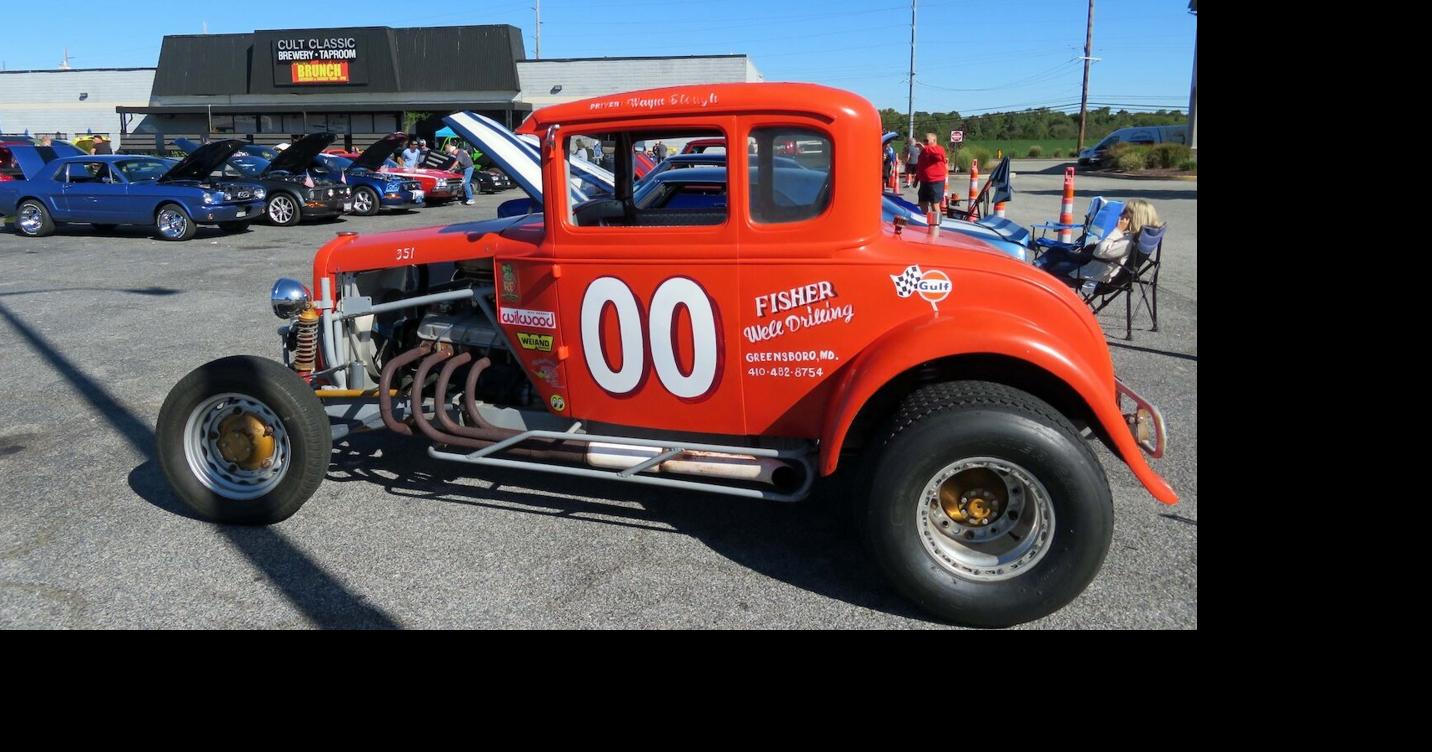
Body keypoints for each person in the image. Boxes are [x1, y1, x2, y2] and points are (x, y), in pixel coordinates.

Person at [1036, 199, 1163, 290]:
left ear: (1134, 218)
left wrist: (1117, 230)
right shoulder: (1133, 237)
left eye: (1125, 213)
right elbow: (1104, 249)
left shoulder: (1128, 242)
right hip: (1095, 265)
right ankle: (1031, 273)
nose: (1120, 215)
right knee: (1057, 251)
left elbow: (1100, 252)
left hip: (1094, 276)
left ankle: (1031, 279)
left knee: (1050, 270)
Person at [916, 132, 947, 228]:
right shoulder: (924, 152)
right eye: (924, 140)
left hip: (936, 181)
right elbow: (921, 165)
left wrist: (925, 148)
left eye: (926, 141)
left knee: (935, 204)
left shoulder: (939, 149)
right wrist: (916, 179)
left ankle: (938, 225)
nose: (924, 142)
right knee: (922, 201)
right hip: (924, 181)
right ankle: (925, 220)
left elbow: (938, 155)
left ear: (934, 141)